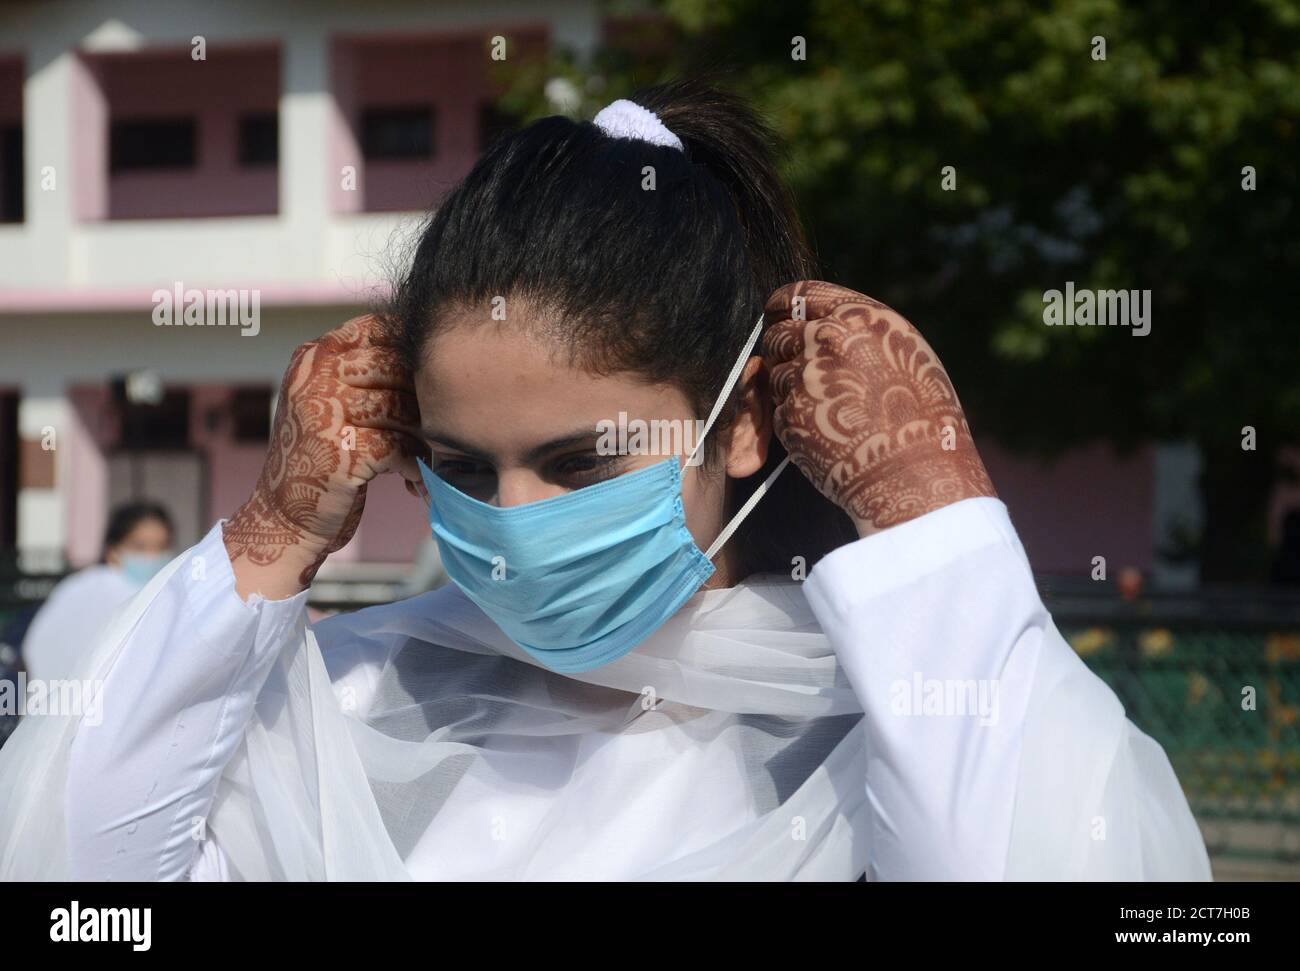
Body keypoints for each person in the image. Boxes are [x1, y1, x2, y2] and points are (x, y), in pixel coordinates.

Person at [0, 81, 1210, 881]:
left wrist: (932, 513)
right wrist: (271, 531)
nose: (515, 523)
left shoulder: (886, 712)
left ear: (739, 424)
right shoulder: (355, 699)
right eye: (462, 466)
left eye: (584, 459)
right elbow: (70, 873)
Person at [19, 501, 173, 684]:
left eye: (161, 547)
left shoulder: (79, 584)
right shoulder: (108, 591)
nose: (152, 556)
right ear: (113, 551)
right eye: (140, 547)